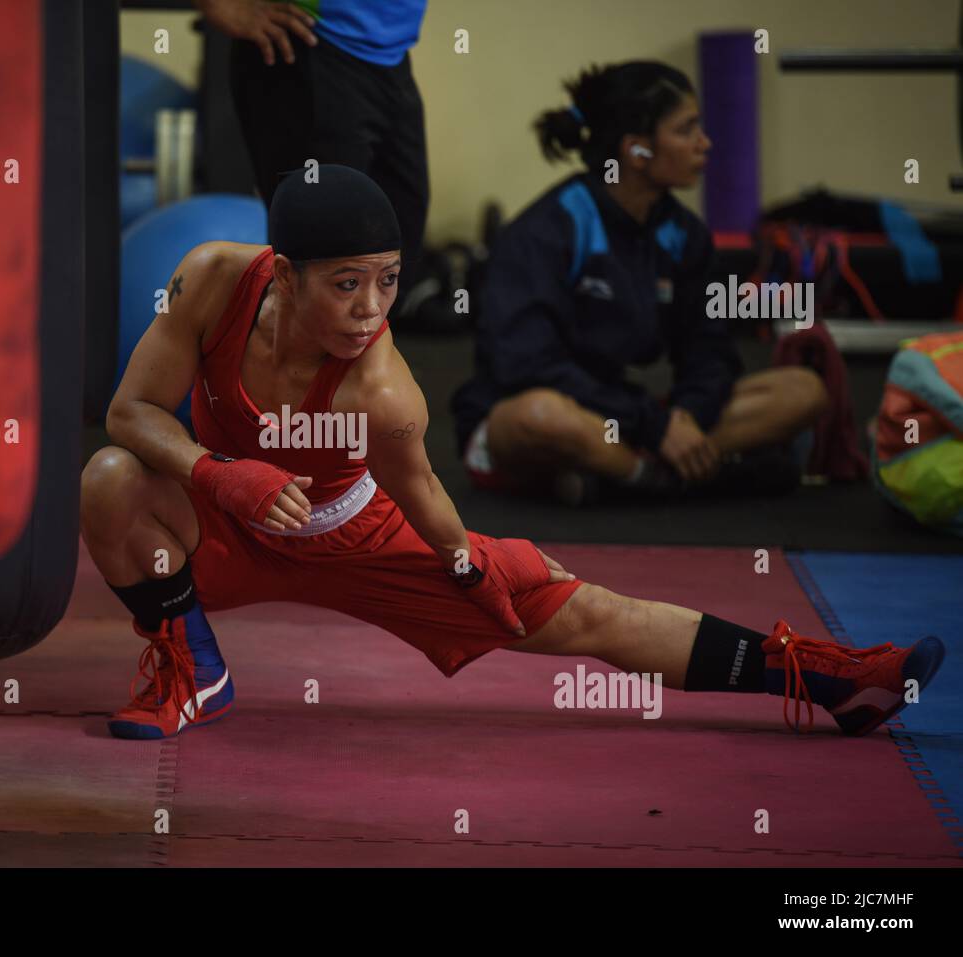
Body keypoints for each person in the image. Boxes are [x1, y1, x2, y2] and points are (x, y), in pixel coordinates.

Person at [81, 164, 943, 741]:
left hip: (359, 535)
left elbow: (421, 494)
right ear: (284, 273)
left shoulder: (383, 391)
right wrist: (219, 473)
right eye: (347, 283)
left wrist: (465, 563)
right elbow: (130, 410)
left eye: (388, 279)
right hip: (227, 525)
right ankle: (190, 666)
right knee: (111, 480)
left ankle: (827, 674)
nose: (371, 308)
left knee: (594, 615)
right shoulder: (213, 279)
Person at [452, 61, 830, 505]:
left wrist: (686, 417)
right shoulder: (547, 229)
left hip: (626, 419)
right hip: (541, 417)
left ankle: (621, 475)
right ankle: (673, 479)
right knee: (540, 414)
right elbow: (526, 365)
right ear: (637, 151)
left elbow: (711, 351)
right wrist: (652, 424)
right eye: (686, 130)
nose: (704, 143)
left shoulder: (686, 235)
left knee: (802, 391)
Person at [194, 0, 430, 307]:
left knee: (396, 250)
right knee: (324, 264)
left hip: (390, 52)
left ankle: (357, 355)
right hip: (308, 41)